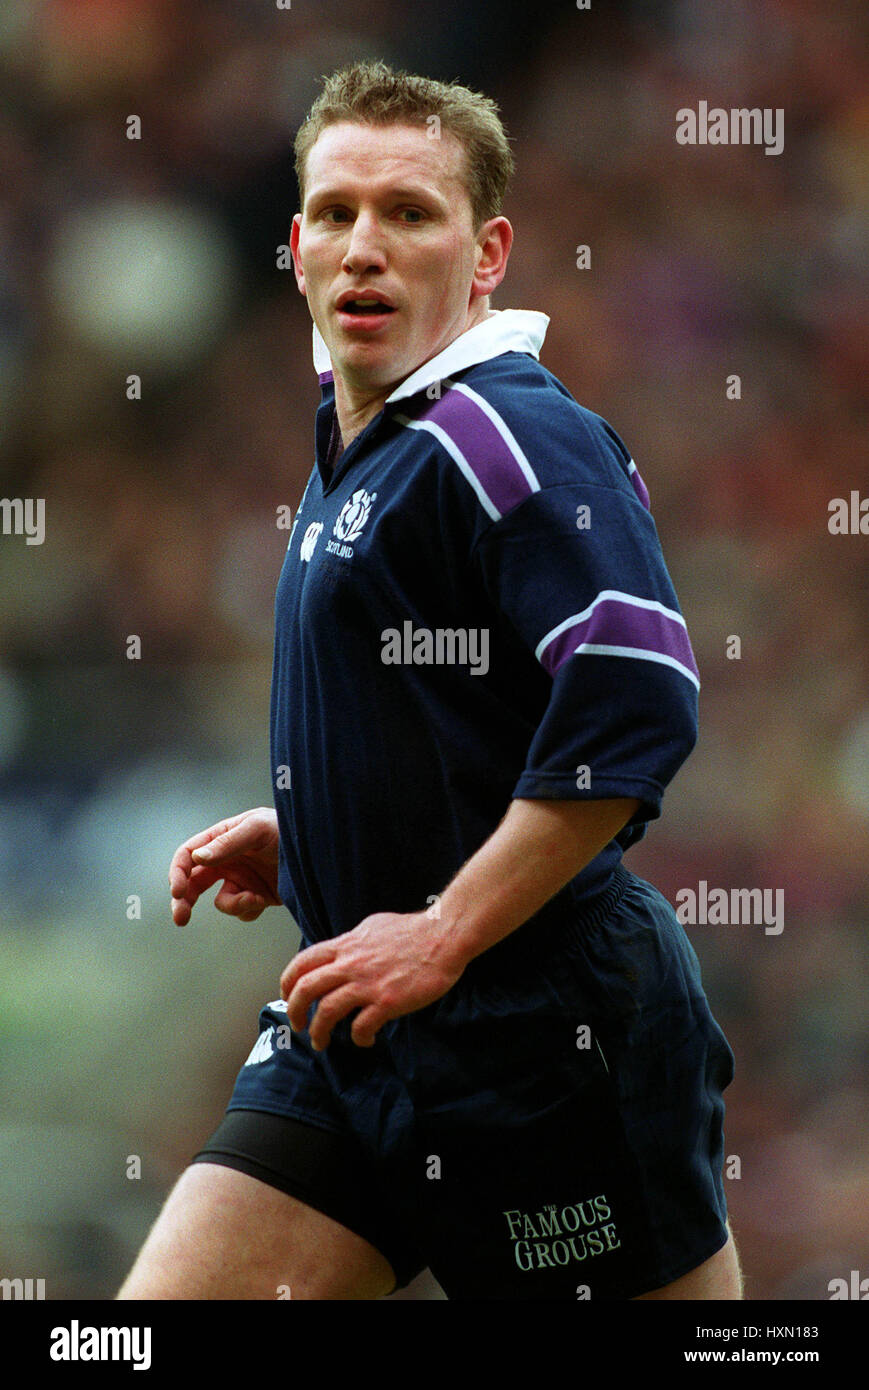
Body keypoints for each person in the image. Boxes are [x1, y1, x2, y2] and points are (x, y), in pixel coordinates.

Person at [117, 58, 741, 1301]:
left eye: (408, 212)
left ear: (487, 252)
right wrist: (324, 834)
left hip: (541, 1034)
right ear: (294, 247)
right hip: (355, 1013)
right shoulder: (363, 437)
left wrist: (445, 925)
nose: (365, 245)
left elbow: (636, 696)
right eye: (336, 213)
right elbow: (465, 712)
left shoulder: (509, 433)